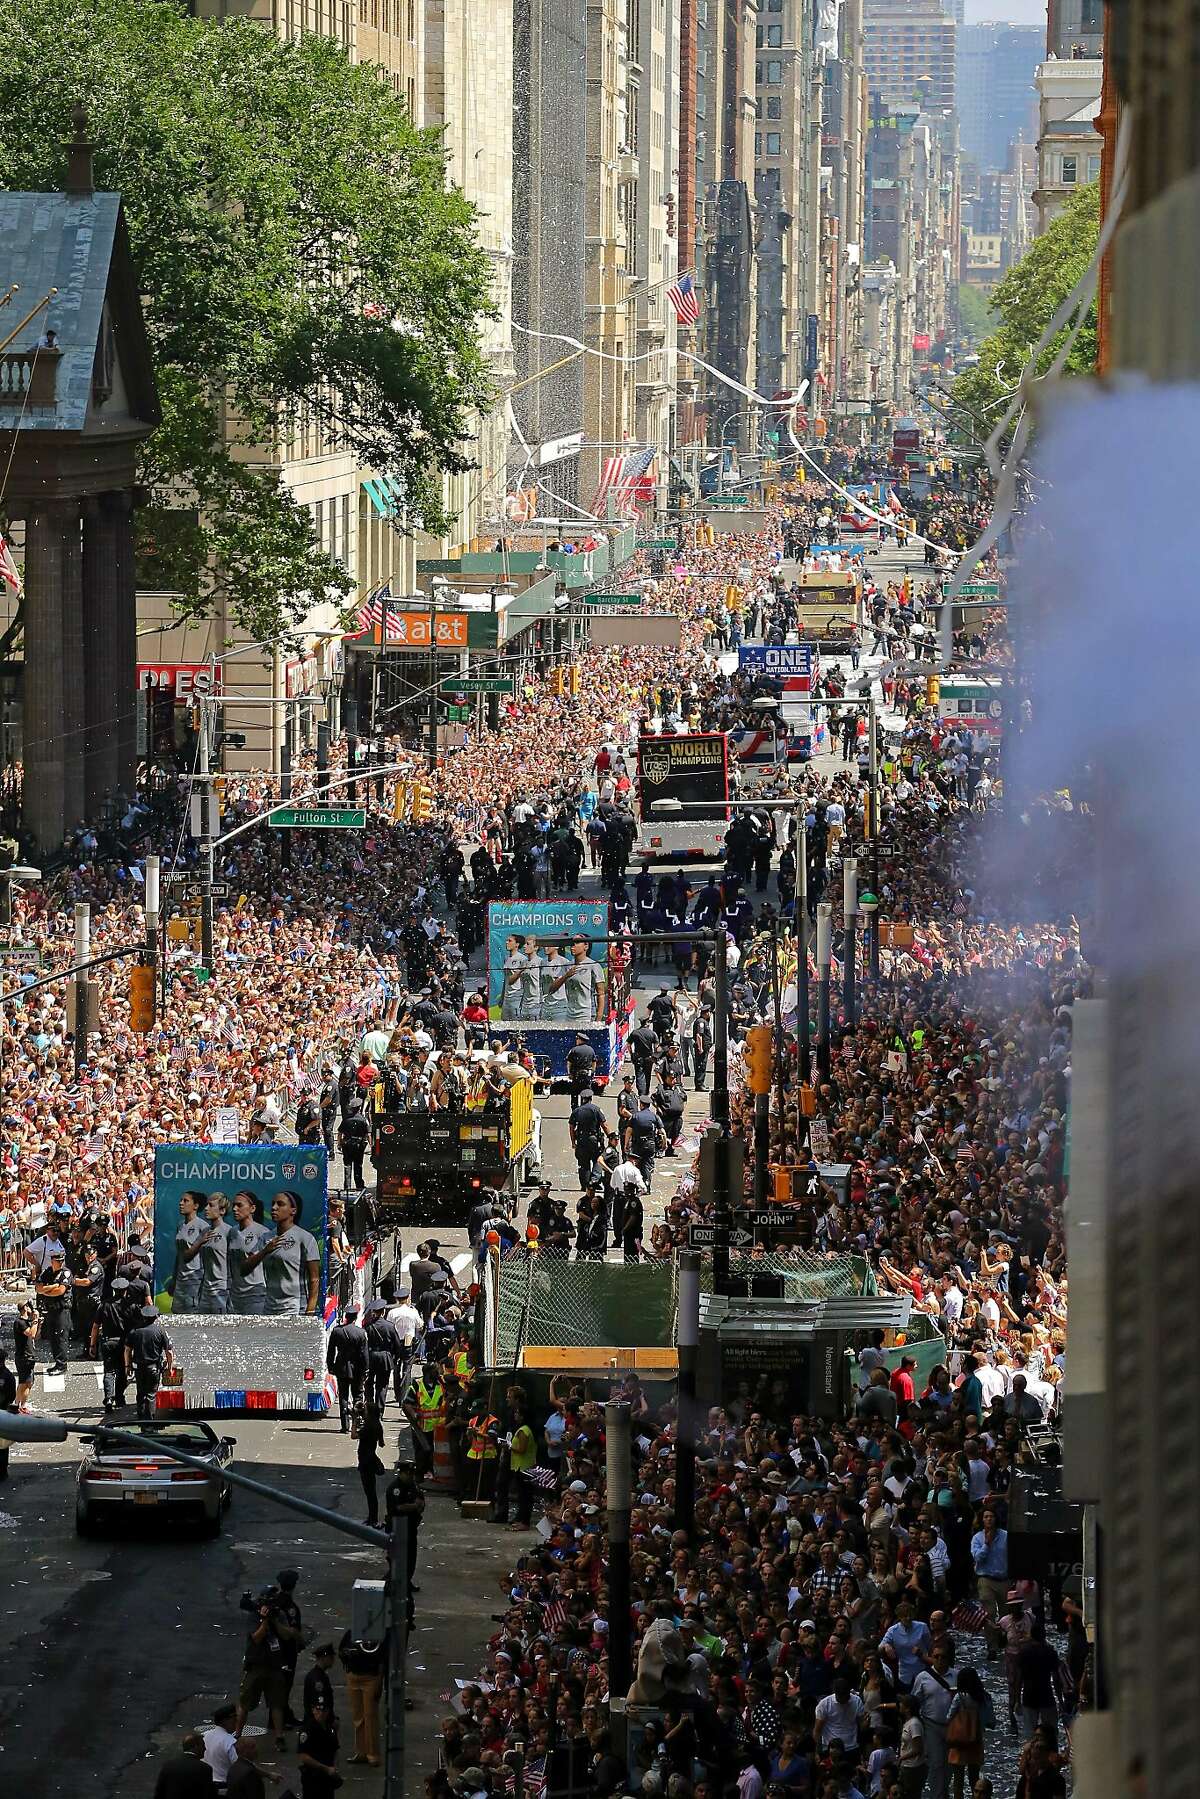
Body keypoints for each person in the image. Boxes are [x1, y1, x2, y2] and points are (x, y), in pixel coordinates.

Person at [945, 1668, 994, 1799]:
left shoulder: (960, 1696)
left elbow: (948, 1716)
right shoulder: (984, 1697)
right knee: (974, 1779)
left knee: (958, 1782)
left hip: (959, 1742)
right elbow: (990, 1721)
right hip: (975, 1740)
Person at [338, 1630, 384, 1767]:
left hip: (370, 1676)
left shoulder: (377, 1635)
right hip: (354, 1675)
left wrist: (379, 1681)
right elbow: (341, 1650)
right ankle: (361, 1751)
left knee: (370, 1716)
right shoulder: (352, 1632)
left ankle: (372, 1753)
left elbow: (382, 1659)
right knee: (358, 1717)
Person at [126, 1303, 174, 1418]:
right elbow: (169, 1352)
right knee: (151, 1395)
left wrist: (127, 1366)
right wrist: (170, 1367)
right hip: (153, 1367)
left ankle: (140, 1418)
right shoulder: (160, 1331)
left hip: (138, 1367)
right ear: (155, 1317)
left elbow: (127, 1350)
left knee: (140, 1393)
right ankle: (150, 1421)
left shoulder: (134, 1331)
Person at [326, 1306, 368, 1432]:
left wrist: (330, 1366)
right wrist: (366, 1369)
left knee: (343, 1396)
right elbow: (364, 1354)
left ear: (345, 1317)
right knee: (358, 1395)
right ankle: (358, 1421)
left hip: (341, 1367)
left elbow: (331, 1351)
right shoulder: (361, 1333)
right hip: (357, 1368)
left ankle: (345, 1425)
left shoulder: (337, 1331)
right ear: (355, 1317)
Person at [297, 1698, 340, 1799]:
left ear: (328, 1711)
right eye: (318, 1710)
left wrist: (335, 1767)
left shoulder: (330, 1729)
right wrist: (326, 1768)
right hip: (313, 1777)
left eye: (324, 1710)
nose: (321, 1713)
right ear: (313, 1710)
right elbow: (303, 1756)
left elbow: (335, 1749)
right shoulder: (307, 1730)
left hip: (328, 1777)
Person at [153, 1735, 216, 1799]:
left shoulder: (168, 1765)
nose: (205, 1748)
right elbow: (208, 1794)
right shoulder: (204, 1768)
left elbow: (159, 1792)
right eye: (203, 1745)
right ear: (196, 1746)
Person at [357, 1401, 386, 1525]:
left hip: (365, 1461)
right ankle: (372, 1517)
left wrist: (354, 1421)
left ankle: (372, 1518)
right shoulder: (377, 1425)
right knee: (371, 1491)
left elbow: (354, 1435)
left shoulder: (368, 1427)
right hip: (371, 1458)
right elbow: (381, 1443)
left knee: (369, 1492)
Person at [201, 1705, 240, 1791]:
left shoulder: (204, 1735)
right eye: (234, 1719)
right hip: (223, 1787)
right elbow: (240, 1766)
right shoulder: (229, 1741)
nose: (236, 1721)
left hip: (205, 1785)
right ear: (225, 1721)